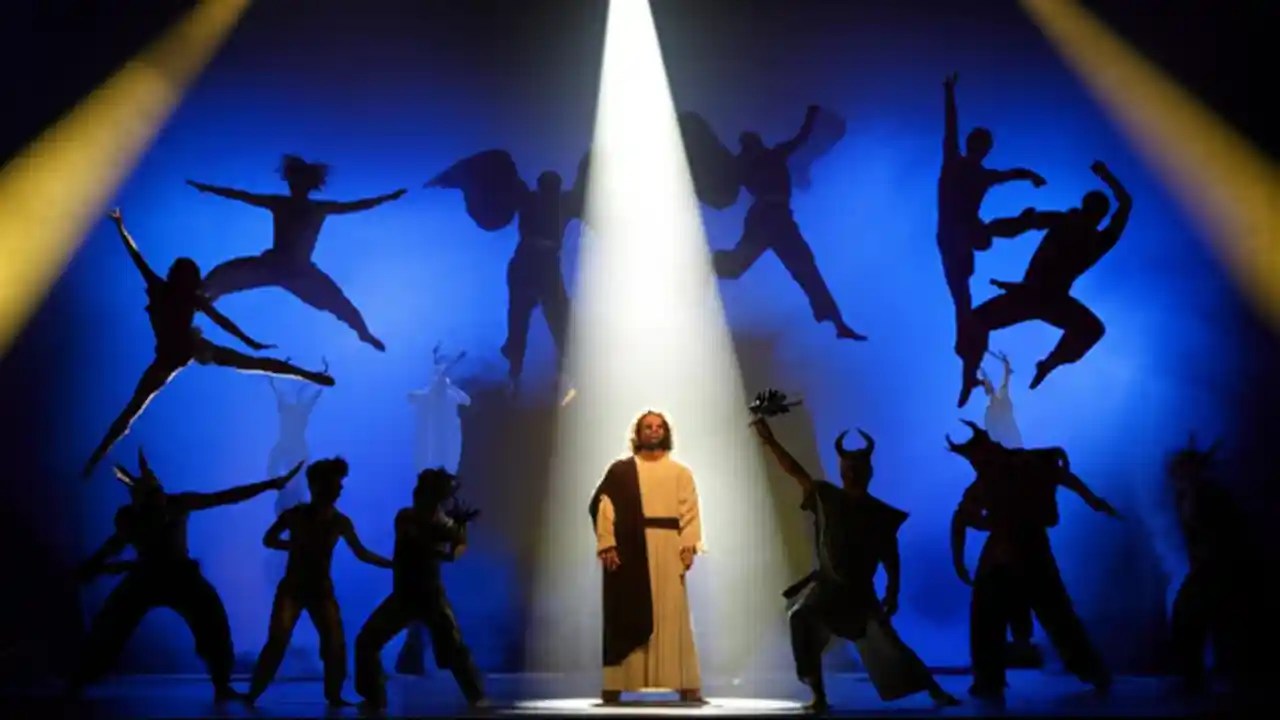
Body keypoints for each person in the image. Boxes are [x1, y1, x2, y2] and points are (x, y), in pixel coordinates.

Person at [82, 209, 334, 478]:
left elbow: (221, 320)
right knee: (134, 407)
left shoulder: (191, 297)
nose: (180, 279)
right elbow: (137, 257)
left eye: (185, 275)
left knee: (251, 363)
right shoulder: (160, 288)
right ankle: (99, 454)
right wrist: (121, 227)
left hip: (190, 348)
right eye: (179, 274)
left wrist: (249, 341)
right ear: (175, 276)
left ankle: (308, 374)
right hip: (169, 356)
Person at [750, 418, 958, 711]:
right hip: (827, 586)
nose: (851, 472)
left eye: (857, 467)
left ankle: (935, 691)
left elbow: (890, 555)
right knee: (802, 619)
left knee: (890, 644)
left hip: (859, 593)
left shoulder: (879, 513)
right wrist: (771, 442)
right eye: (847, 467)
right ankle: (819, 695)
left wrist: (893, 591)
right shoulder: (826, 496)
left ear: (868, 471)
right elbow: (797, 473)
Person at [72, 449, 300, 700]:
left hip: (181, 576)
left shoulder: (178, 504)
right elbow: (114, 545)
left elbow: (224, 497)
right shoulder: (131, 518)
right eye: (150, 497)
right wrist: (93, 566)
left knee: (214, 625)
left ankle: (221, 684)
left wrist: (269, 485)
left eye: (158, 493)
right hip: (145, 578)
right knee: (109, 626)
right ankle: (82, 676)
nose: (157, 501)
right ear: (140, 498)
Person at [947, 420, 1117, 701]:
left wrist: (1093, 499)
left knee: (1057, 615)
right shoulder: (988, 479)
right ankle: (989, 680)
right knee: (989, 619)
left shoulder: (1027, 465)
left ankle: (1092, 670)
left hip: (1029, 551)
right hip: (1001, 557)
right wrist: (959, 558)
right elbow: (962, 517)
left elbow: (1063, 477)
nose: (978, 463)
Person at [679, 106, 866, 341]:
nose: (749, 147)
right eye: (746, 144)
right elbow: (721, 183)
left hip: (780, 218)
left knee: (805, 268)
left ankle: (837, 322)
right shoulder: (743, 166)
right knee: (741, 266)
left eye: (750, 143)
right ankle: (697, 265)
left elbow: (801, 138)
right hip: (765, 217)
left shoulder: (773, 155)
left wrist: (810, 117)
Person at [956, 161, 1132, 407]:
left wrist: (1107, 176)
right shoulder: (1072, 225)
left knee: (1093, 329)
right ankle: (970, 374)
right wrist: (984, 230)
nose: (1090, 216)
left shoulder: (1096, 238)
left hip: (1049, 299)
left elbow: (1125, 205)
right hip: (1033, 296)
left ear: (1097, 215)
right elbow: (1022, 224)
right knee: (972, 322)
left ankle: (1049, 362)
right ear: (1085, 208)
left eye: (1095, 212)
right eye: (1090, 210)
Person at [187, 155, 406, 351]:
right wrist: (208, 189)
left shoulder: (316, 208)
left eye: (297, 180)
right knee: (225, 273)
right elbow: (242, 196)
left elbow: (354, 206)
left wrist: (386, 199)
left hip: (299, 270)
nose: (293, 185)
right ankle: (201, 295)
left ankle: (364, 333)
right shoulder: (281, 203)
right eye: (292, 180)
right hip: (275, 265)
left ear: (307, 183)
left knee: (339, 302)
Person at [426, 149, 589, 394]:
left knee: (548, 318)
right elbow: (500, 184)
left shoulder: (545, 200)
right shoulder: (541, 200)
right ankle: (517, 373)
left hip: (538, 263)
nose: (549, 189)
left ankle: (555, 373)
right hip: (529, 262)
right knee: (524, 318)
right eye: (547, 185)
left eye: (551, 185)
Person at [245, 457, 393, 707]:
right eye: (336, 484)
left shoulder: (336, 521)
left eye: (339, 484)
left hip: (317, 589)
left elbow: (361, 552)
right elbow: (269, 539)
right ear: (318, 486)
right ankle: (254, 693)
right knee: (282, 641)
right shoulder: (301, 515)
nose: (340, 489)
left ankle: (332, 695)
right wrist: (295, 545)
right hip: (295, 588)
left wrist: (391, 564)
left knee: (333, 643)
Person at [587, 411, 704, 704]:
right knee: (626, 614)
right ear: (637, 434)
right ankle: (616, 682)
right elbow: (604, 507)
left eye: (658, 427)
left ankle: (683, 682)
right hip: (631, 549)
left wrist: (688, 545)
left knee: (671, 615)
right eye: (647, 427)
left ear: (666, 432)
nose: (653, 431)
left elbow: (689, 511)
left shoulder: (681, 473)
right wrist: (607, 544)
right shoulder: (620, 472)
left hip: (667, 546)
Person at [354, 468, 486, 709]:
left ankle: (477, 697)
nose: (415, 494)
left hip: (428, 596)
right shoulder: (407, 518)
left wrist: (458, 532)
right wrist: (454, 532)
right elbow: (423, 541)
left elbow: (454, 551)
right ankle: (374, 697)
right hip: (406, 596)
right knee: (367, 641)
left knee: (454, 651)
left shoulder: (439, 524)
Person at [936, 72, 1046, 358]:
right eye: (976, 146)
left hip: (965, 234)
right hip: (953, 236)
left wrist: (1030, 176)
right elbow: (951, 127)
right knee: (962, 297)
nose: (977, 151)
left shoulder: (983, 175)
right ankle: (968, 353)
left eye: (981, 147)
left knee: (964, 293)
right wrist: (949, 92)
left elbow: (1012, 173)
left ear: (984, 150)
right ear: (975, 147)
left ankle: (968, 349)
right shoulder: (955, 162)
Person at [398, 344, 470, 675]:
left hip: (445, 464)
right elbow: (413, 397)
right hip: (429, 463)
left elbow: (464, 400)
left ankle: (432, 656)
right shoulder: (428, 394)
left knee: (433, 606)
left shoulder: (450, 395)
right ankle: (430, 656)